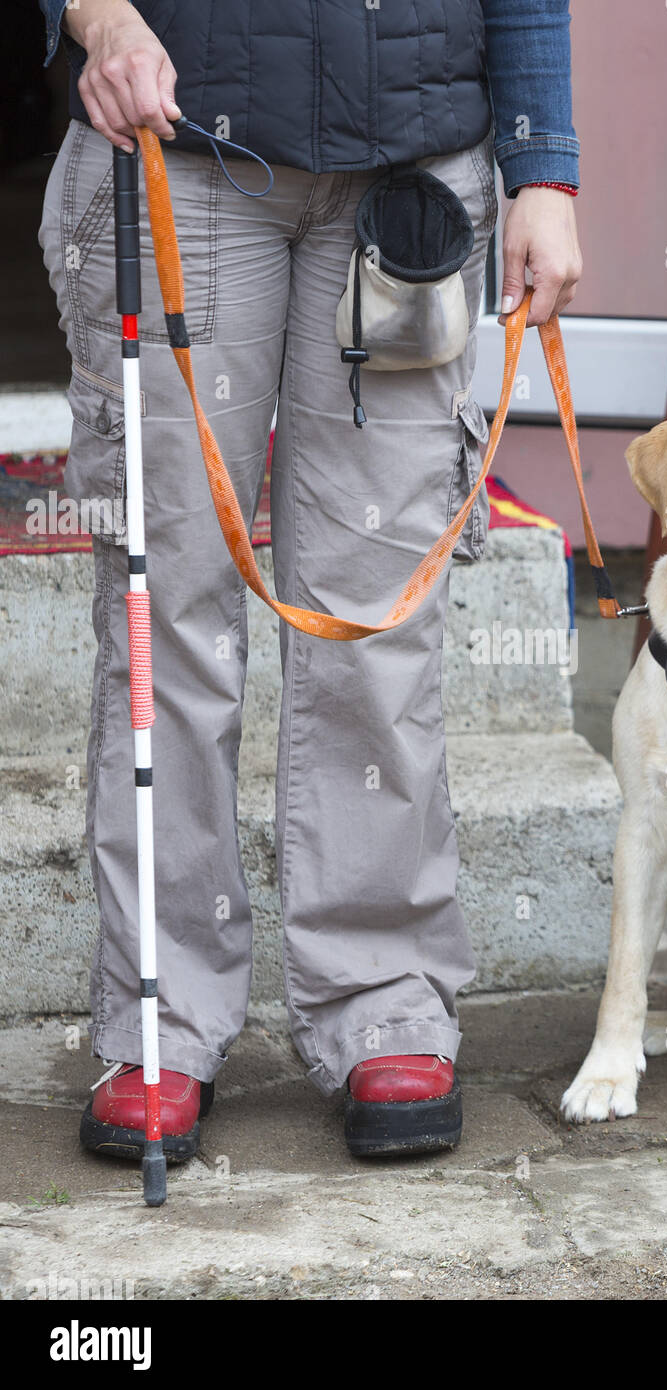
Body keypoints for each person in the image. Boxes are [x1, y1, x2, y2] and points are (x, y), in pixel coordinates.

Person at [37, 0, 582, 1159]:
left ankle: (386, 996)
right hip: (177, 148)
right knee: (164, 605)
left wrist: (546, 169)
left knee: (375, 618)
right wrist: (100, 18)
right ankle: (160, 1018)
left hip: (408, 179)